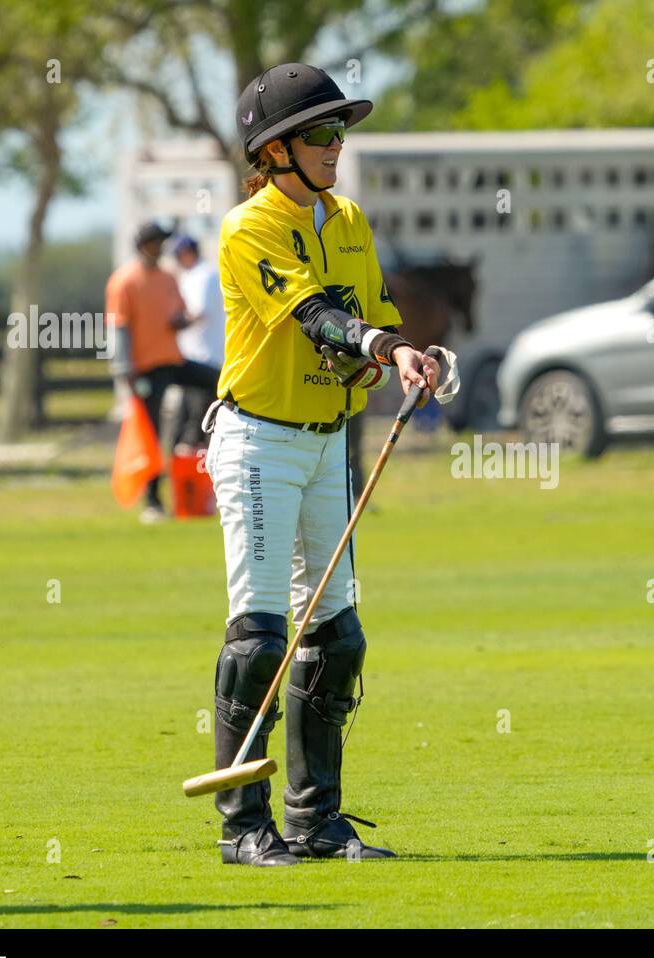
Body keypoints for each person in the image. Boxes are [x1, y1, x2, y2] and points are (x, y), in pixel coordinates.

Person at [203, 62, 439, 866]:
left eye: (340, 130)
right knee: (262, 635)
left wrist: (406, 351)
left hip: (328, 442)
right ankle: (243, 826)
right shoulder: (249, 228)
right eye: (319, 133)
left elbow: (375, 312)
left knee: (338, 636)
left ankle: (315, 821)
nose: (336, 146)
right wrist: (374, 342)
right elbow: (316, 315)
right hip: (259, 442)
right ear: (273, 151)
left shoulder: (350, 220)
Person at [105, 221, 221, 521]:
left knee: (219, 382)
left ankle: (194, 437)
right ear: (144, 245)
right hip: (145, 368)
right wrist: (123, 369)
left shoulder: (169, 277)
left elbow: (179, 314)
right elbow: (119, 328)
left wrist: (185, 320)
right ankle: (153, 502)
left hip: (173, 358)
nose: (163, 248)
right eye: (158, 242)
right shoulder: (125, 280)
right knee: (152, 435)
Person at [170, 234, 224, 451]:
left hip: (206, 357)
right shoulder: (191, 275)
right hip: (192, 355)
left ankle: (196, 470)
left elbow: (197, 312)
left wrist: (169, 326)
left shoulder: (206, 274)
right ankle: (183, 469)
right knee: (187, 415)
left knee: (198, 419)